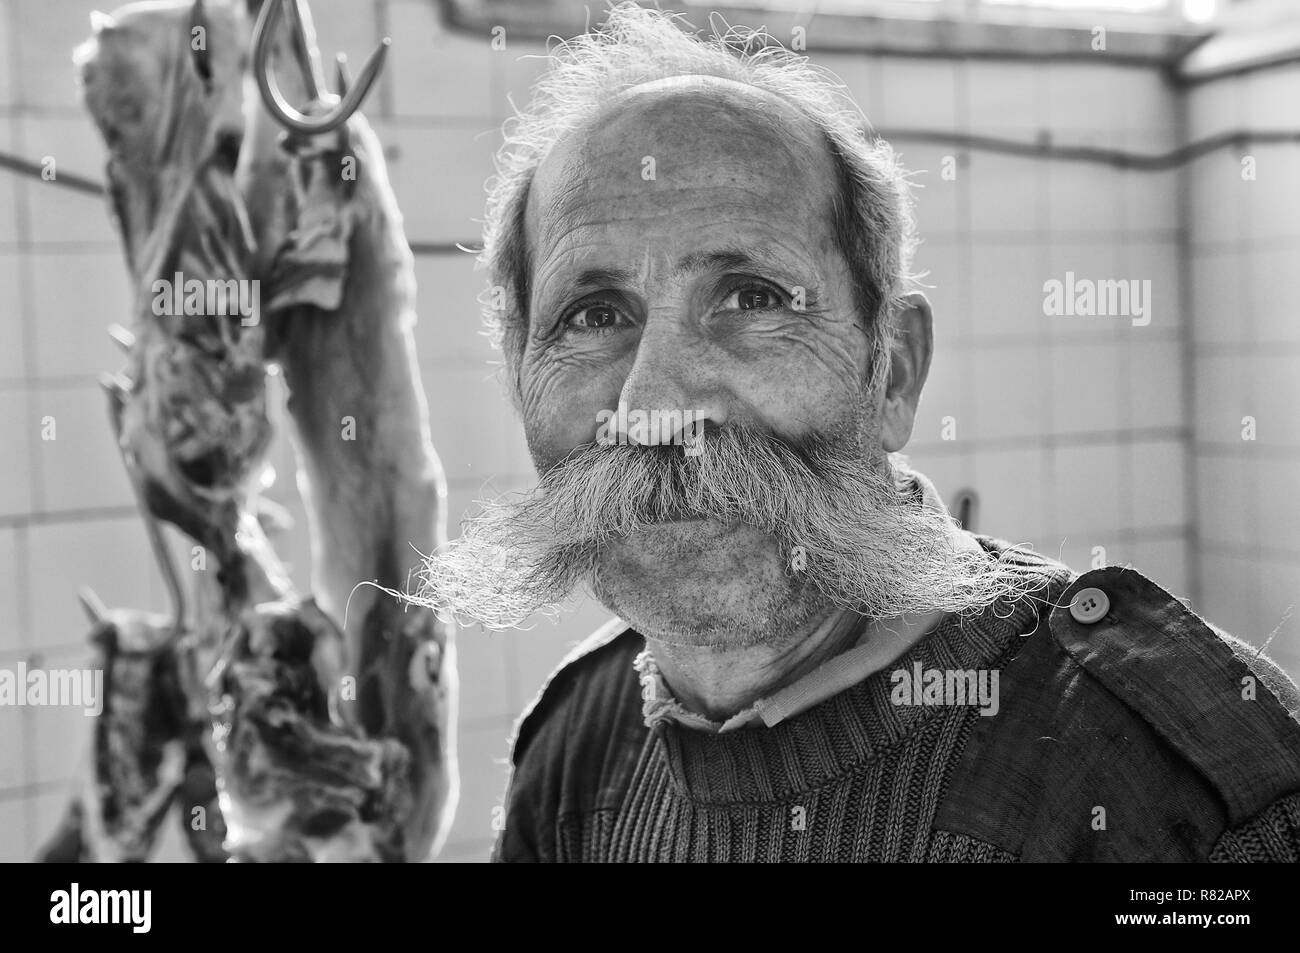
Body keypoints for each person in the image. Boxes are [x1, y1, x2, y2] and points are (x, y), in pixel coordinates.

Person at [411, 3, 1300, 861]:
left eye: (753, 298)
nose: (656, 405)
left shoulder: (1171, 787)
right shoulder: (576, 747)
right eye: (594, 314)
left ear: (895, 370)